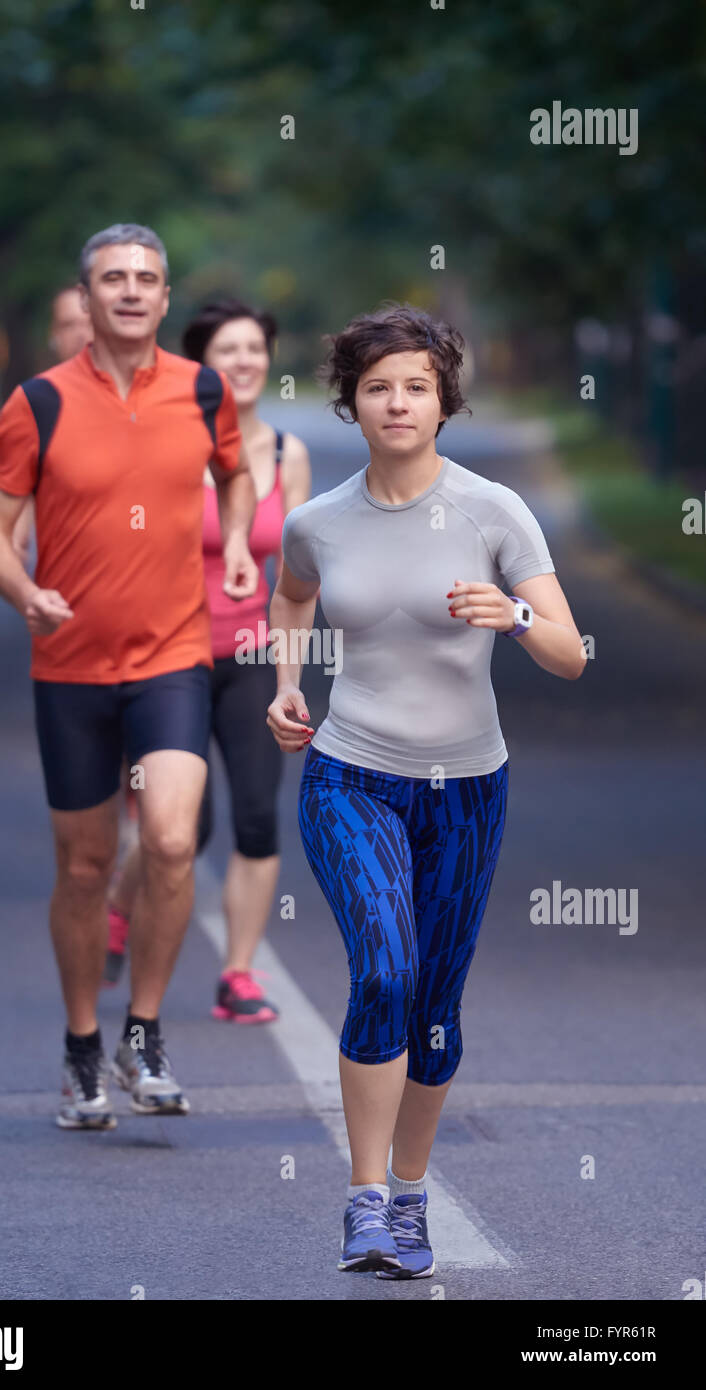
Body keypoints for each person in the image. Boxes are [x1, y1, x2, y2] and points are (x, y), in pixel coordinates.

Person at [267, 304, 586, 1277]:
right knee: (386, 971)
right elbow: (290, 597)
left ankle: (411, 1198)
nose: (397, 402)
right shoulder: (317, 522)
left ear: (444, 400)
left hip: (466, 792)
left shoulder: (494, 510)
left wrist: (516, 610)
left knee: (437, 1005)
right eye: (378, 387)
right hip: (351, 775)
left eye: (416, 385)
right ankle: (364, 1202)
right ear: (351, 403)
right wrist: (288, 684)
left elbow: (572, 655)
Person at [0, 223, 258, 1130]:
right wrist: (25, 591)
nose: (130, 291)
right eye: (112, 278)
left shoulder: (202, 389)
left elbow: (238, 474)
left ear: (166, 298)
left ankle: (144, 1032)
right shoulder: (39, 402)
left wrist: (242, 541)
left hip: (175, 654)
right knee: (87, 864)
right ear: (86, 299)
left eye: (146, 278)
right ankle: (82, 1045)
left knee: (172, 842)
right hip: (70, 667)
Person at [105, 299, 311, 1023]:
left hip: (253, 655)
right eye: (229, 350)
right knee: (182, 831)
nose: (245, 362)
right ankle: (121, 910)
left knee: (257, 817)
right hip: (172, 658)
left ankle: (238, 974)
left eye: (256, 348)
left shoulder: (288, 454)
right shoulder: (167, 444)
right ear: (200, 365)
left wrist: (292, 675)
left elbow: (300, 574)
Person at [11, 285, 93, 568]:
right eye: (69, 325)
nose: (82, 334)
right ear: (53, 335)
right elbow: (15, 500)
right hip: (67, 586)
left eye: (90, 322)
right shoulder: (34, 406)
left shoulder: (142, 398)